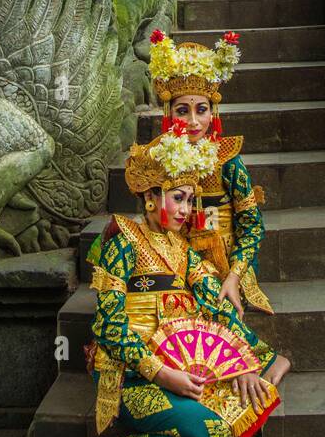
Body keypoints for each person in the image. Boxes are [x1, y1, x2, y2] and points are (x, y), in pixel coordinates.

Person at [88, 129, 290, 437]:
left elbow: (218, 306)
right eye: (177, 198)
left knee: (245, 416)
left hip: (182, 368)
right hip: (130, 374)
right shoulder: (123, 241)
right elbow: (109, 325)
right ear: (150, 197)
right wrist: (161, 374)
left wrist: (242, 362)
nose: (186, 210)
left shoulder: (183, 252)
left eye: (191, 200)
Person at [90, 28, 271, 320]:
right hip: (173, 256)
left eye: (201, 110)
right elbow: (152, 215)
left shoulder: (228, 161)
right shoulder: (159, 156)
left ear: (213, 112)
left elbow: (252, 227)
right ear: (169, 113)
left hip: (224, 261)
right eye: (182, 111)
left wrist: (234, 276)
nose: (193, 121)